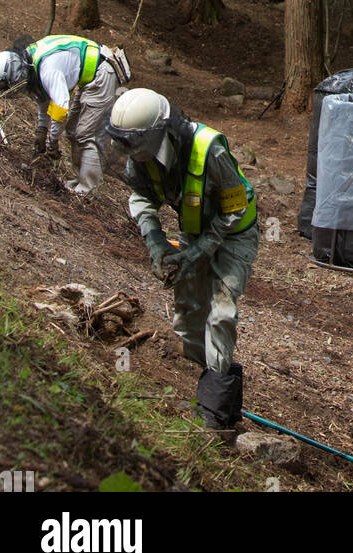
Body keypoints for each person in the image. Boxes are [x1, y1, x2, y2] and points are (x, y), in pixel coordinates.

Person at [107, 88, 259, 434]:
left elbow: (235, 205)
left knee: (222, 311)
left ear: (158, 133)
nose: (127, 153)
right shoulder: (139, 156)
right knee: (188, 313)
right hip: (195, 228)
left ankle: (215, 407)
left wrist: (197, 252)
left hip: (235, 231)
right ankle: (203, 380)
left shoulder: (209, 149)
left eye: (132, 144)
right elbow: (141, 197)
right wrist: (156, 241)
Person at [0, 34, 123, 193]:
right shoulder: (30, 61)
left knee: (87, 134)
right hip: (92, 75)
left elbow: (60, 109)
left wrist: (52, 142)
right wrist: (42, 130)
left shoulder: (47, 69)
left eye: (5, 85)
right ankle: (80, 179)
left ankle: (87, 189)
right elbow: (44, 100)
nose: (6, 89)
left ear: (12, 74)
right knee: (72, 131)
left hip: (103, 72)